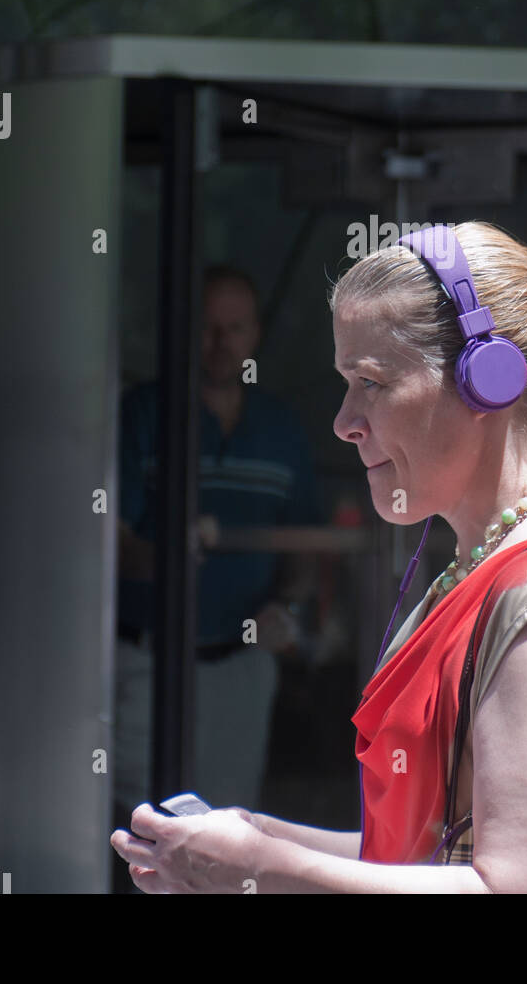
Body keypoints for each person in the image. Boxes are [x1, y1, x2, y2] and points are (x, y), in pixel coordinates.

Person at [112, 220, 527, 893]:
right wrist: (254, 838)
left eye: (371, 382)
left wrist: (260, 870)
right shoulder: (485, 572)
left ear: (487, 381)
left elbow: (516, 887)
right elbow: (424, 848)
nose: (343, 421)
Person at [112, 265, 321, 872]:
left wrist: (291, 607)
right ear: (181, 332)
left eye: (234, 328)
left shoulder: (280, 427)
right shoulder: (145, 413)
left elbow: (305, 546)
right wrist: (174, 555)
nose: (220, 343)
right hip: (145, 662)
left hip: (240, 664)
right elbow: (113, 543)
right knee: (139, 840)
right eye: (207, 328)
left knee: (227, 842)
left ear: (255, 335)